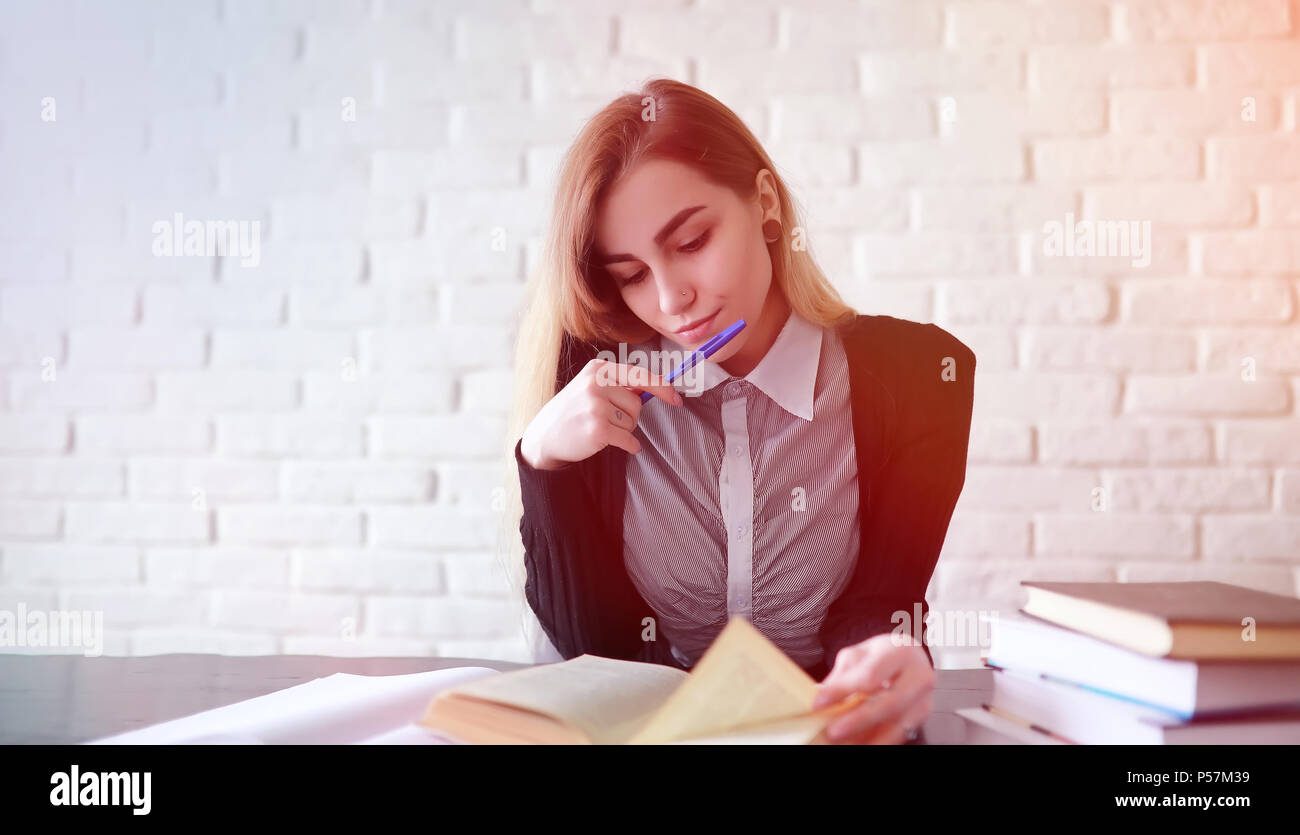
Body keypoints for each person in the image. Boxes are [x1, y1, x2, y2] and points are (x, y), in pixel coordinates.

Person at [501, 78, 975, 744]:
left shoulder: (921, 377)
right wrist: (541, 460)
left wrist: (894, 659)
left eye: (691, 242)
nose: (671, 299)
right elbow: (596, 652)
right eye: (631, 273)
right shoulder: (591, 381)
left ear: (765, 203)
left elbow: (881, 605)